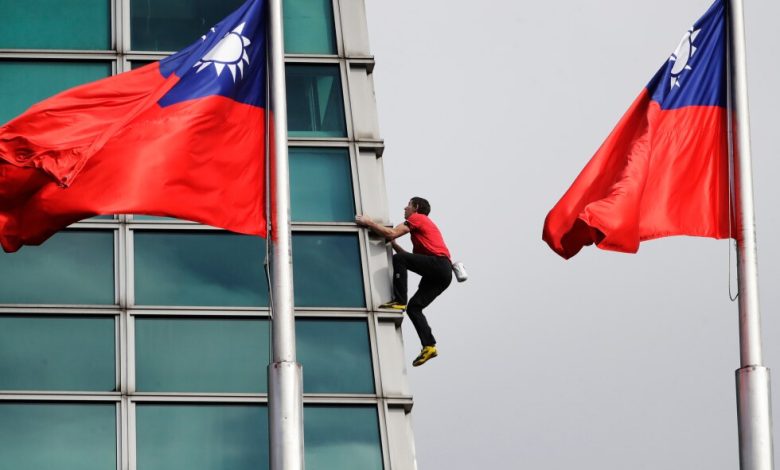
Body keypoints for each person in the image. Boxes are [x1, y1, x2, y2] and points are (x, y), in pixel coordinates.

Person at [355, 197, 452, 367]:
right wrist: (393, 244)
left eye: (408, 205)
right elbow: (408, 256)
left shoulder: (418, 218)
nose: (405, 208)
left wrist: (369, 222)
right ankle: (429, 346)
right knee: (414, 308)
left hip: (439, 265)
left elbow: (392, 233)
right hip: (442, 273)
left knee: (399, 259)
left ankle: (399, 301)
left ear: (416, 207)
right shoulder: (422, 232)